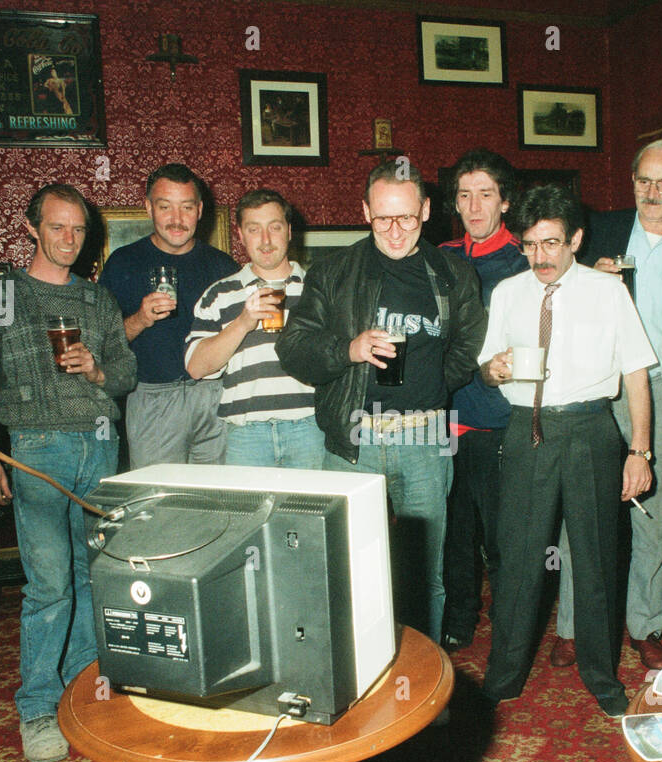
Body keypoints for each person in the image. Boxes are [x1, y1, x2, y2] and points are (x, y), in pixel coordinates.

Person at [276, 158, 486, 641]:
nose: (395, 231)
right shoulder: (333, 272)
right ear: (365, 210)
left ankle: (423, 693)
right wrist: (347, 350)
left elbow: (466, 350)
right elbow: (294, 348)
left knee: (424, 580)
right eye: (384, 217)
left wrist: (431, 386)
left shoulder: (452, 273)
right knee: (351, 574)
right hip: (354, 443)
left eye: (407, 218)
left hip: (426, 442)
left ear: (427, 210)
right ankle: (363, 691)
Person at [0, 184, 137, 762]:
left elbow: (125, 376)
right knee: (50, 585)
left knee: (94, 579)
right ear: (32, 227)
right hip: (35, 450)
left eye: (79, 230)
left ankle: (84, 693)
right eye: (58, 228)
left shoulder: (98, 300)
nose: (69, 240)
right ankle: (37, 708)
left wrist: (95, 370)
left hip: (100, 444)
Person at [478, 183, 655, 718]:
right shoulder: (508, 292)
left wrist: (639, 451)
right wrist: (496, 369)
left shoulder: (608, 292)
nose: (541, 258)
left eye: (551, 244)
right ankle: (504, 673)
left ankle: (601, 676)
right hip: (526, 430)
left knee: (597, 558)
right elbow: (486, 366)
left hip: (590, 432)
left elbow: (636, 373)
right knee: (519, 560)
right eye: (530, 245)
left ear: (575, 239)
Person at [552, 139, 662, 671]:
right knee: (580, 511)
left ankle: (646, 623)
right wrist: (587, 284)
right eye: (643, 181)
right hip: (599, 384)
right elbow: (553, 297)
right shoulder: (598, 233)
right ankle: (571, 624)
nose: (652, 193)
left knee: (655, 511)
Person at [436, 148, 528, 650]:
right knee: (454, 533)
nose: (474, 206)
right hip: (446, 418)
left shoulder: (523, 260)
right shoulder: (441, 258)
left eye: (486, 195)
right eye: (465, 195)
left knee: (504, 538)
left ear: (505, 201)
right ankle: (460, 617)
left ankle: (512, 628)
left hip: (500, 419)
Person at [99, 164, 239, 468]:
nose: (177, 220)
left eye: (186, 207)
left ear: (200, 210)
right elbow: (102, 345)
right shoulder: (123, 263)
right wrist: (140, 319)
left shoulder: (223, 266)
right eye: (165, 207)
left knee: (217, 502)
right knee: (156, 504)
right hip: (152, 400)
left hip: (215, 397)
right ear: (149, 207)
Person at [185, 189, 321, 469]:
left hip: (310, 429)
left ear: (290, 231)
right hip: (246, 435)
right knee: (250, 515)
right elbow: (196, 367)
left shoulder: (320, 289)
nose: (266, 240)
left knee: (307, 514)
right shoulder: (219, 294)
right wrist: (243, 322)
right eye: (254, 229)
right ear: (240, 234)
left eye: (275, 227)